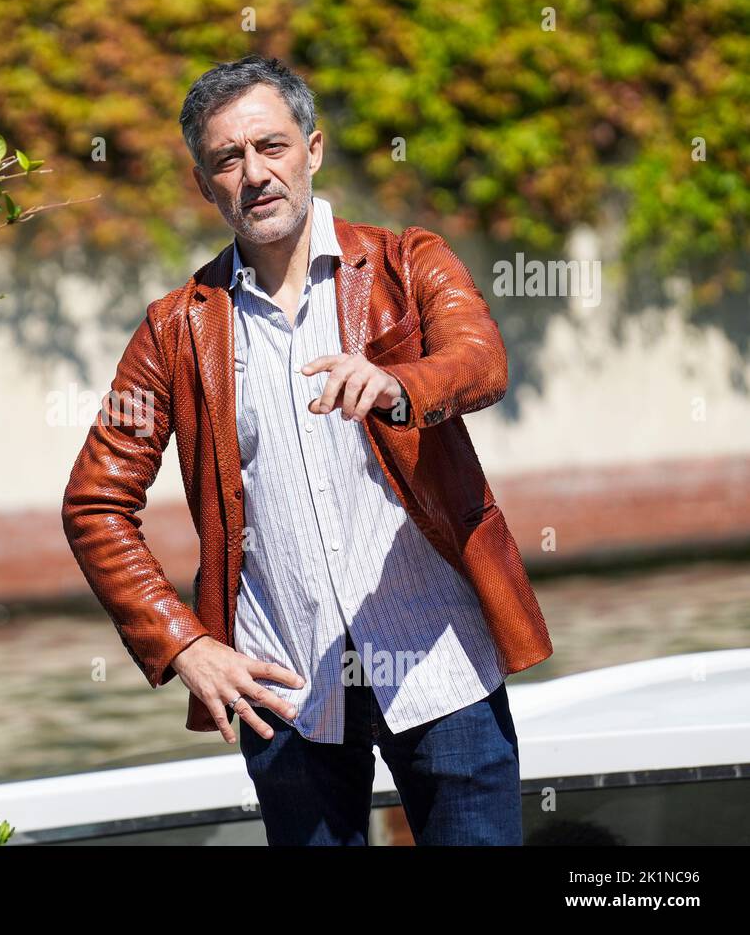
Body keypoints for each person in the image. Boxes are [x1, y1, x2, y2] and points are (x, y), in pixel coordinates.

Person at [61, 54, 552, 845]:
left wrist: (398, 384)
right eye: (228, 158)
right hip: (282, 686)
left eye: (272, 147)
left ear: (313, 150)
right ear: (204, 183)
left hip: (441, 658)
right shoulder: (173, 328)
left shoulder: (407, 261)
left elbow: (481, 361)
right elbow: (94, 503)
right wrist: (183, 642)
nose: (254, 173)